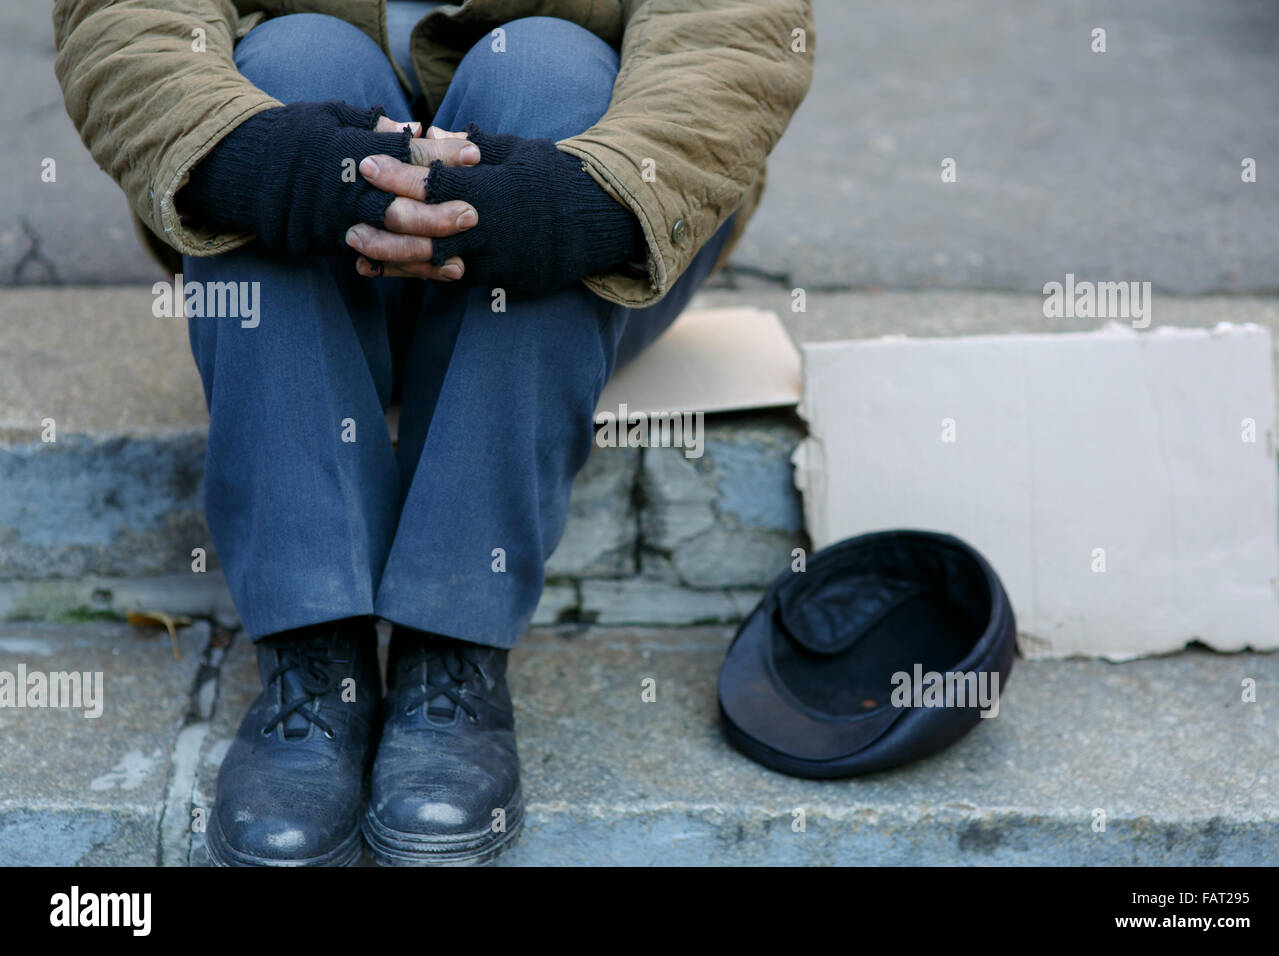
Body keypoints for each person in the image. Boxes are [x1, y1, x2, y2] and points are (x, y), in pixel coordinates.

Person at [53, 0, 814, 866]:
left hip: (581, 214)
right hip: (301, 226)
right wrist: (255, 159)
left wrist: (585, 200)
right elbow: (127, 15)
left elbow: (736, 26)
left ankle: (451, 655)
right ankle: (314, 657)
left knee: (550, 65)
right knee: (292, 61)